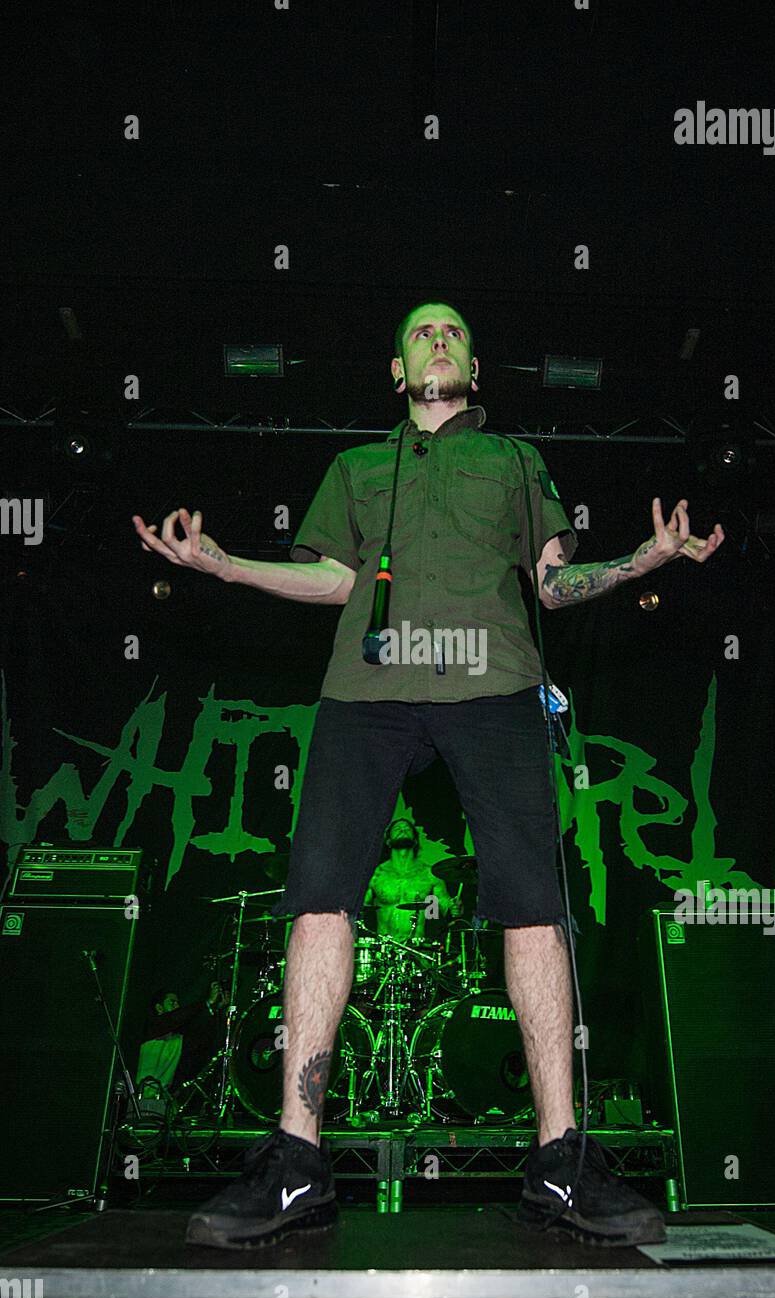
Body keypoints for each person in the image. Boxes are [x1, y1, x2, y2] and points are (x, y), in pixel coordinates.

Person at [133, 300, 724, 1249]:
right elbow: (330, 580)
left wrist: (639, 560)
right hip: (365, 692)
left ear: (477, 369)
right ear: (396, 371)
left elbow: (551, 582)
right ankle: (296, 1162)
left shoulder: (514, 460)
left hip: (494, 690)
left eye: (453, 331)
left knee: (534, 903)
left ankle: (560, 1158)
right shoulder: (358, 468)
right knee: (319, 894)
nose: (437, 339)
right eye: (420, 332)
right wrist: (224, 565)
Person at [364, 817, 459, 943]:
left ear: (415, 841)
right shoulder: (376, 874)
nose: (402, 830)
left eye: (407, 828)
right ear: (388, 841)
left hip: (417, 948)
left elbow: (445, 906)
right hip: (383, 950)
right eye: (397, 828)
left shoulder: (429, 874)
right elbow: (360, 909)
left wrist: (455, 908)